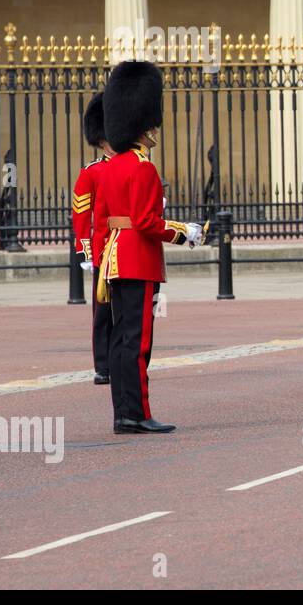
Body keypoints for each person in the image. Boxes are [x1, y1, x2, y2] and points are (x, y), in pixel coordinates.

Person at [95, 61, 203, 434]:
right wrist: (182, 232)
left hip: (114, 260)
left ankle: (122, 412)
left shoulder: (109, 168)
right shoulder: (142, 168)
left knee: (120, 339)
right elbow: (144, 223)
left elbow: (104, 219)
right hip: (138, 261)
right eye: (152, 123)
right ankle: (137, 413)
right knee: (138, 342)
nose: (156, 129)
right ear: (143, 127)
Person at [71, 92, 113, 386]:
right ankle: (102, 365)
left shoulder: (134, 165)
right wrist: (86, 252)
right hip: (102, 249)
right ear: (101, 139)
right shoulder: (91, 172)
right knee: (103, 312)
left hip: (127, 247)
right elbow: (81, 216)